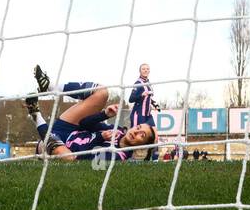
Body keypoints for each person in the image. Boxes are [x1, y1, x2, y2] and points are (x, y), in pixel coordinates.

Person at [24, 65, 155, 161]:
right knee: (102, 92)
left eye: (141, 135)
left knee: (69, 158)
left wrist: (100, 138)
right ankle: (51, 87)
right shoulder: (117, 131)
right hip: (68, 128)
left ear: (142, 145)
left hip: (58, 147)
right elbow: (84, 123)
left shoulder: (118, 157)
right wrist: (104, 115)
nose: (136, 132)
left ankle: (35, 114)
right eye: (138, 128)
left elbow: (84, 157)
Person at [127, 63, 157, 160]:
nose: (145, 70)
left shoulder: (149, 83)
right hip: (138, 114)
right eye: (143, 69)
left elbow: (149, 98)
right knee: (135, 137)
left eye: (147, 69)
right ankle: (129, 157)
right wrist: (141, 95)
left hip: (148, 115)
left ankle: (149, 158)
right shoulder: (138, 83)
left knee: (154, 136)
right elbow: (131, 99)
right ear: (140, 71)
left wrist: (155, 104)